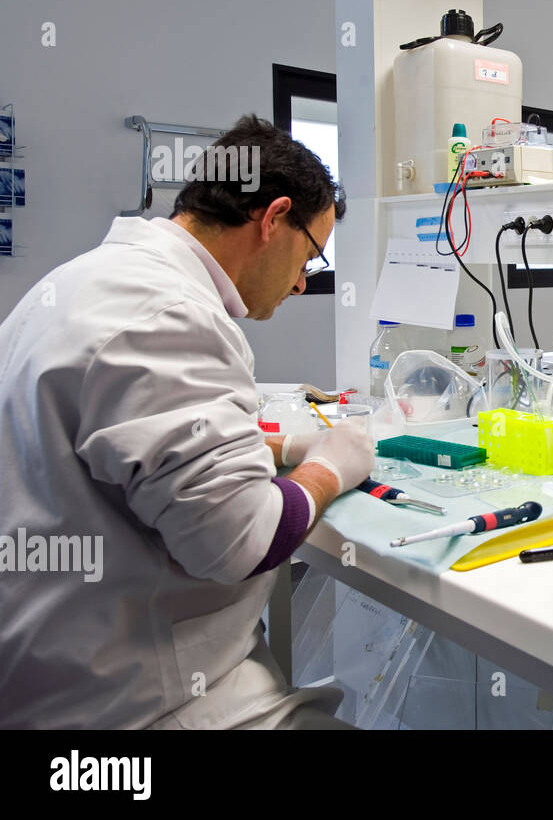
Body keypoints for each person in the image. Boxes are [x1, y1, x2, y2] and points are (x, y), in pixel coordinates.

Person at [0, 114, 373, 728]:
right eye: (311, 254)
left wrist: (273, 449)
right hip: (134, 699)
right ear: (274, 218)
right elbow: (242, 541)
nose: (304, 281)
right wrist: (329, 470)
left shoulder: (89, 281)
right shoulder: (170, 316)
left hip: (52, 663)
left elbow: (125, 448)